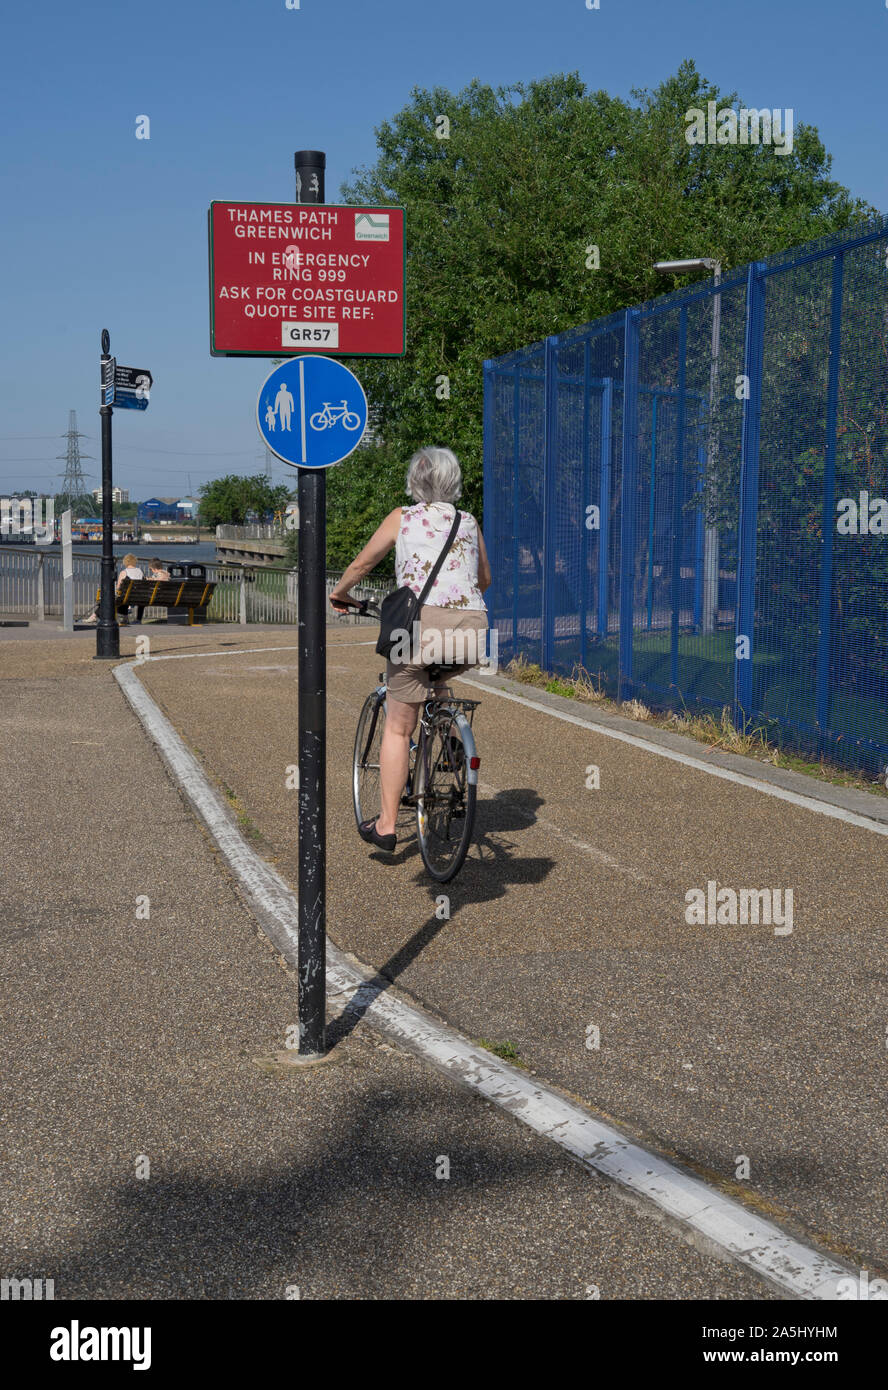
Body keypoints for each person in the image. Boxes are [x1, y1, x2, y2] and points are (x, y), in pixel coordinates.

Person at [329, 447, 492, 855]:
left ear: (414, 482)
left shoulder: (404, 517)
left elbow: (365, 563)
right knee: (436, 677)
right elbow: (485, 579)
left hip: (417, 630)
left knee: (400, 726)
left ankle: (385, 826)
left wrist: (340, 592)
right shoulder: (468, 521)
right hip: (472, 632)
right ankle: (452, 738)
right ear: (453, 481)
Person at [79, 553, 144, 626]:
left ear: (126, 562)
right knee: (122, 598)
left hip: (125, 597)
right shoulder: (140, 571)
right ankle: (125, 618)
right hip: (136, 597)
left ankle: (94, 616)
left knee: (108, 598)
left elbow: (118, 587)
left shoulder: (124, 572)